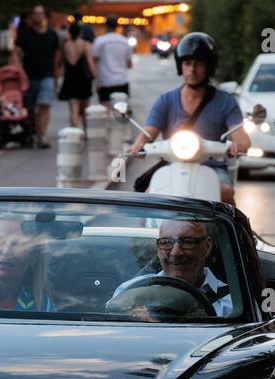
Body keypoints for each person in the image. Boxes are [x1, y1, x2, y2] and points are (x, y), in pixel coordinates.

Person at [127, 32, 249, 204]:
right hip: (172, 165)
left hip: (213, 167)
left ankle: (234, 230)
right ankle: (150, 232)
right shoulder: (166, 100)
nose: (192, 69)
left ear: (209, 67)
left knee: (226, 192)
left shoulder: (225, 101)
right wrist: (139, 144)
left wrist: (238, 144)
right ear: (180, 66)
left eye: (199, 64)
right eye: (187, 63)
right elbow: (148, 132)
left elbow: (241, 136)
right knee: (149, 197)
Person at [109, 219, 233, 318]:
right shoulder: (128, 293)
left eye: (187, 242)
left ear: (207, 246)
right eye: (167, 243)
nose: (175, 253)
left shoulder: (232, 304)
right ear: (158, 248)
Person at [11, 5, 59, 149]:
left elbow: (56, 56)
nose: (38, 16)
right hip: (28, 77)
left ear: (45, 15)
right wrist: (19, 71)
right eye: (35, 13)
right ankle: (31, 134)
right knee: (29, 108)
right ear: (32, 16)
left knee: (44, 105)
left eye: (40, 13)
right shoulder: (25, 35)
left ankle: (41, 135)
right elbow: (15, 53)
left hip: (47, 76)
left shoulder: (52, 35)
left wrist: (56, 75)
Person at [57, 21, 96, 129]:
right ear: (80, 32)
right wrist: (96, 78)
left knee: (73, 108)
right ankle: (86, 132)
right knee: (85, 109)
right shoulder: (85, 44)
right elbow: (90, 63)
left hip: (70, 77)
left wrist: (56, 80)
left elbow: (59, 62)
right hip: (83, 78)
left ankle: (74, 132)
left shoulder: (65, 45)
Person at [92, 16, 132, 104]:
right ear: (117, 26)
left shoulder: (99, 41)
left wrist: (96, 80)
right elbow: (129, 64)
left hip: (105, 81)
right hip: (122, 80)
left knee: (105, 110)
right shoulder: (125, 41)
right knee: (121, 110)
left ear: (105, 26)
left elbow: (94, 62)